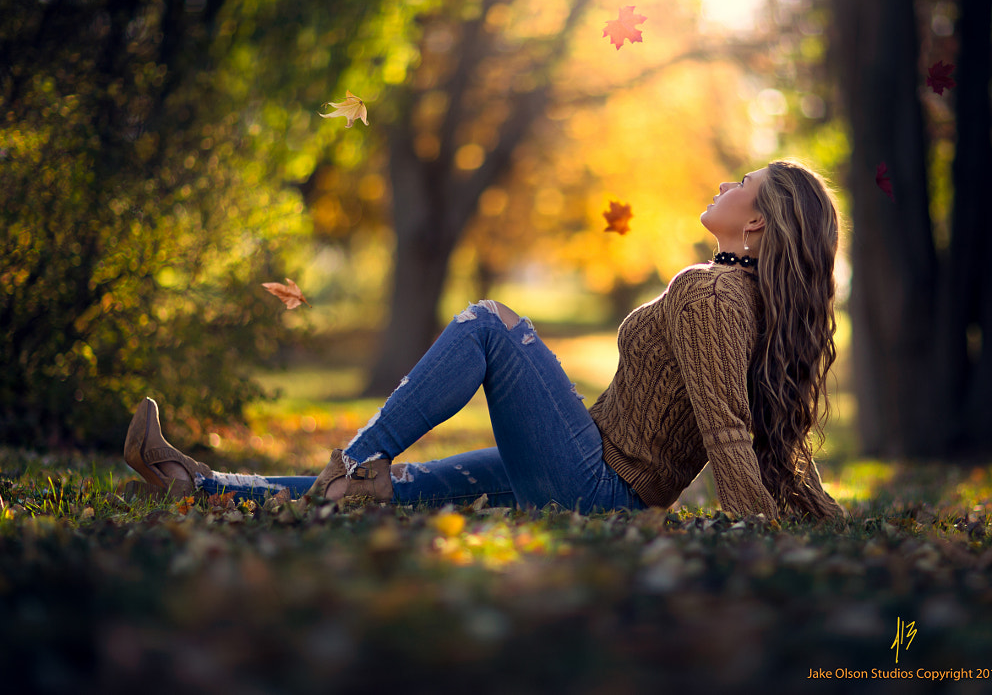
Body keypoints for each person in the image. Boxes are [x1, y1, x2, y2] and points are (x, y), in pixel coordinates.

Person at [124, 160, 845, 519]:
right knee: (397, 491)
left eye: (742, 182)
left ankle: (357, 458)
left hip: (596, 485)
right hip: (587, 467)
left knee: (489, 323)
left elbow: (729, 430)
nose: (725, 184)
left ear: (757, 223)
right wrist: (826, 521)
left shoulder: (710, 292)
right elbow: (769, 439)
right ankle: (201, 485)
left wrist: (753, 534)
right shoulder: (743, 299)